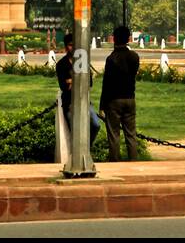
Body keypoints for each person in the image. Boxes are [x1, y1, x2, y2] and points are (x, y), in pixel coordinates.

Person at [99, 25, 140, 161]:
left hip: (114, 100)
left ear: (114, 39)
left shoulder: (111, 58)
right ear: (128, 38)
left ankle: (115, 162)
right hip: (130, 98)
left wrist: (102, 105)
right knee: (131, 134)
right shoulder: (134, 57)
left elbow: (106, 84)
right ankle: (133, 161)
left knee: (114, 135)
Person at [55, 32, 99, 143]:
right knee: (75, 132)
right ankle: (76, 155)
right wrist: (78, 79)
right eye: (70, 45)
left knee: (95, 125)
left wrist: (71, 80)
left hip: (84, 101)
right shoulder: (61, 64)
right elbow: (64, 87)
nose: (73, 47)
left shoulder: (82, 61)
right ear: (66, 46)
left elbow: (89, 83)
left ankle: (86, 149)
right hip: (69, 103)